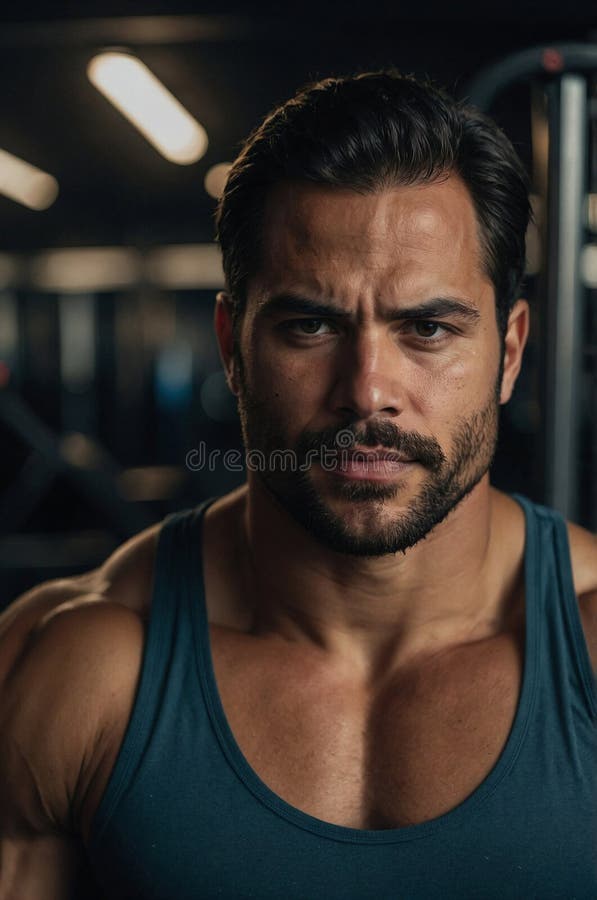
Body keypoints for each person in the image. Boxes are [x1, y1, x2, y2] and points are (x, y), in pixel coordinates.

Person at [1, 70, 596, 900]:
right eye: (310, 325)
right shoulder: (74, 663)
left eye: (427, 328)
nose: (367, 390)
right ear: (231, 347)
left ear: (510, 352)